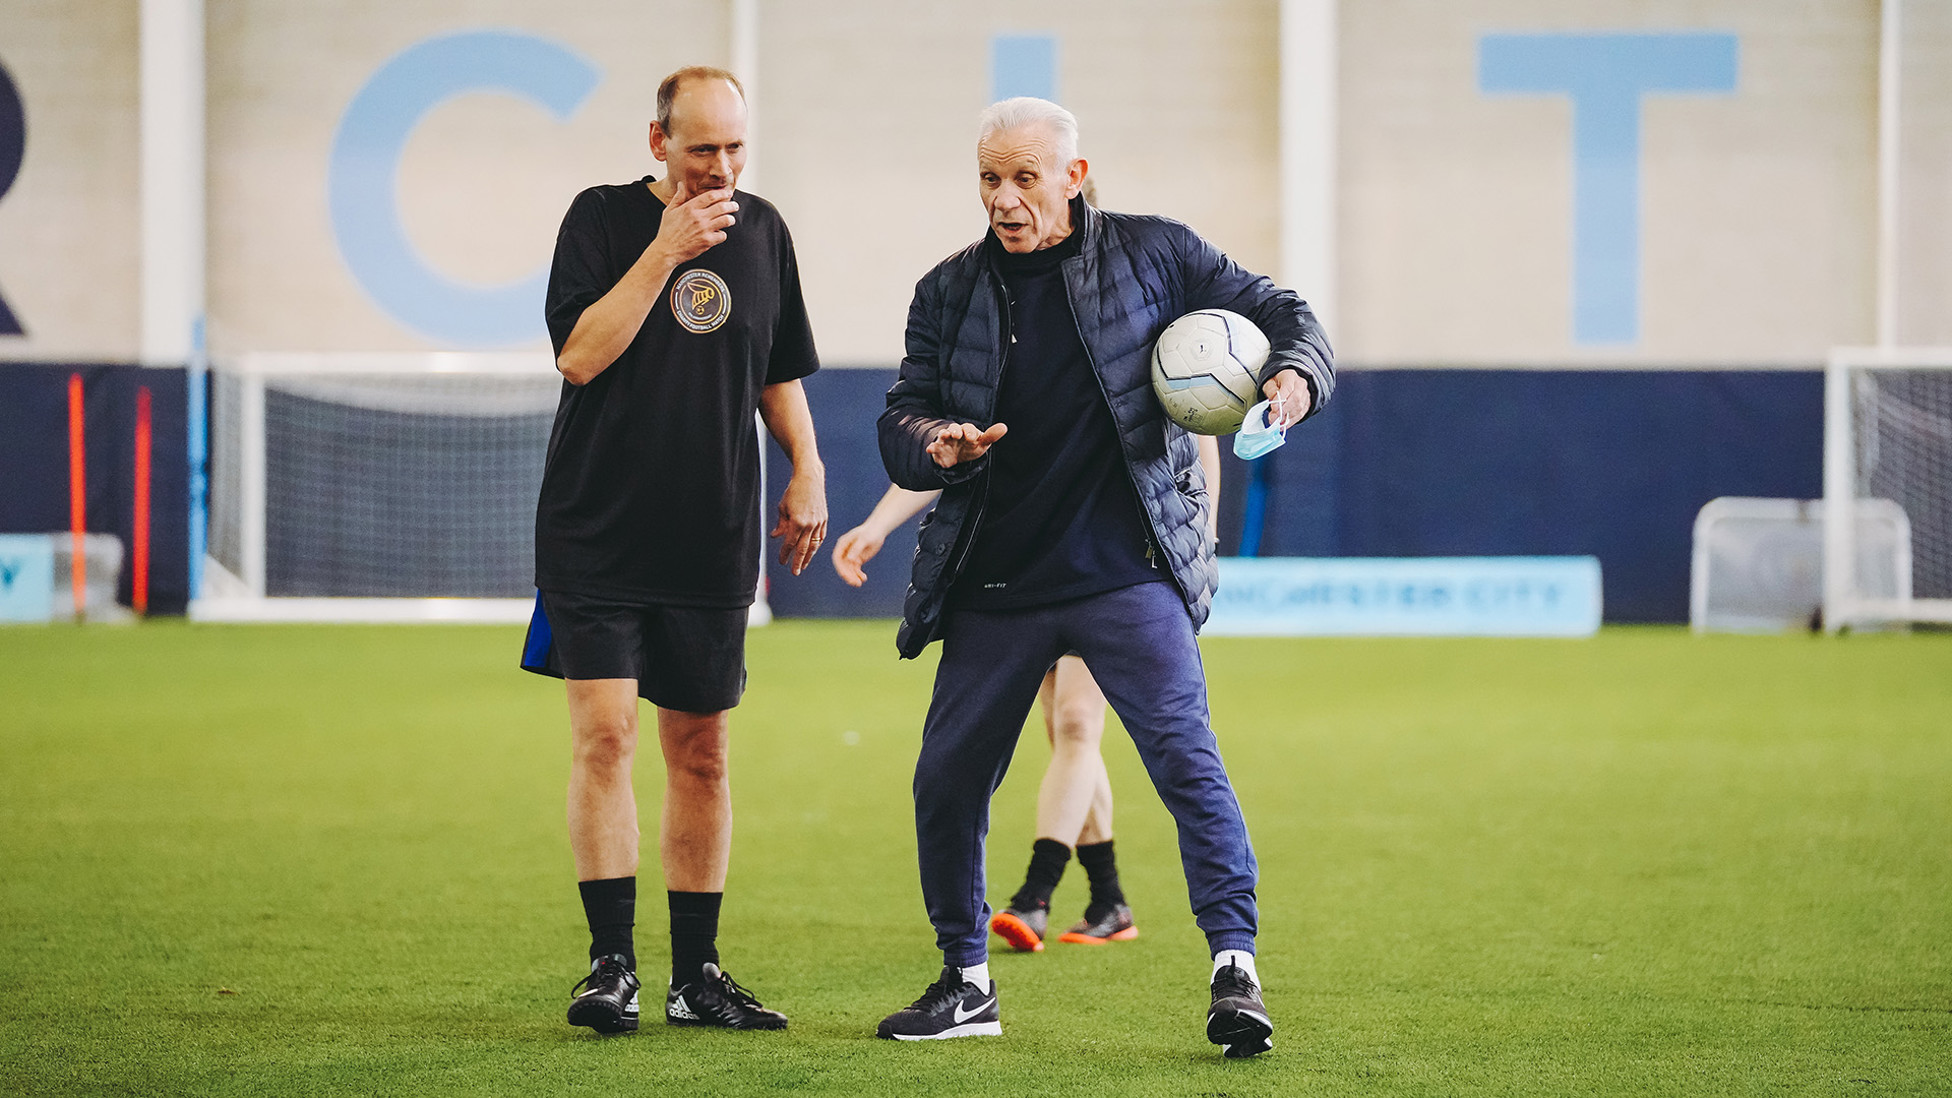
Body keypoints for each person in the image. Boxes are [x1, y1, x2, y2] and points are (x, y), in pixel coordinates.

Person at [870, 97, 1332, 1057]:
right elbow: (902, 416)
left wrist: (1294, 373)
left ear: (1074, 178)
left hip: (1129, 574)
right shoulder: (945, 291)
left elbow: (1286, 311)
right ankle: (966, 981)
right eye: (990, 179)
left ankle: (1234, 971)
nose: (1004, 197)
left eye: (1025, 177)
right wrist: (935, 444)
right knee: (946, 782)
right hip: (996, 585)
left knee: (1185, 762)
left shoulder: (1155, 254)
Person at [519, 66, 826, 1036]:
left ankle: (697, 977)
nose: (722, 169)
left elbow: (776, 369)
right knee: (604, 736)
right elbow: (579, 354)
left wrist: (807, 466)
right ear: (658, 143)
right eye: (702, 150)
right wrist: (664, 251)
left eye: (736, 149)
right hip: (596, 529)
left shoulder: (766, 232)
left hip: (712, 535)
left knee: (702, 752)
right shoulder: (601, 220)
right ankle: (612, 967)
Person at [831, 431, 1222, 953]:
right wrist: (877, 525)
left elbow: (1195, 428)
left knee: (1077, 722)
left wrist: (1201, 537)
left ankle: (1036, 892)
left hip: (1112, 565)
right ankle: (1108, 900)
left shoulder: (1134, 350)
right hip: (1022, 566)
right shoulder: (1001, 353)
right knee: (1065, 737)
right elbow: (956, 439)